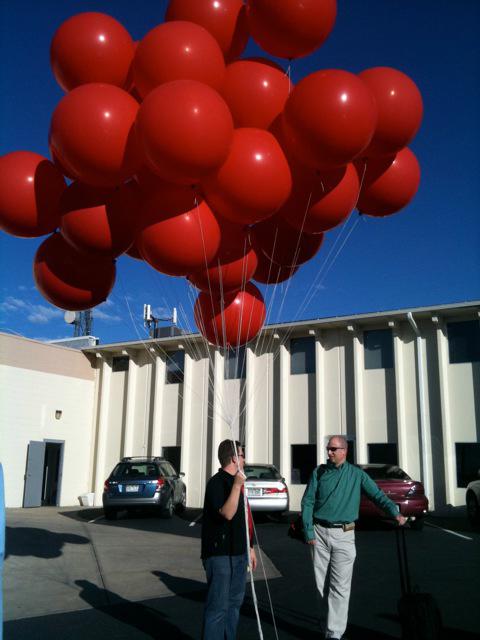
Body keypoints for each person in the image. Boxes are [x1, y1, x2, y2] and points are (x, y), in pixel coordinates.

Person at [301, 435, 407, 640]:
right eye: (328, 448)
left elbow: (377, 495)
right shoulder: (319, 472)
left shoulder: (357, 475)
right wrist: (309, 531)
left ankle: (334, 633)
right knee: (320, 586)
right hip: (319, 534)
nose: (329, 452)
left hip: (345, 535)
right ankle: (326, 623)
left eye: (333, 449)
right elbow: (307, 502)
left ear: (344, 451)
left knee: (339, 587)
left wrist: (395, 513)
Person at [201, 439, 257, 640]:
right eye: (242, 455)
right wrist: (236, 486)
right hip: (220, 555)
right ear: (234, 458)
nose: (244, 459)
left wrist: (250, 547)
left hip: (238, 553)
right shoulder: (217, 483)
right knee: (218, 608)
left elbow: (244, 518)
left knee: (234, 605)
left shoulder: (238, 484)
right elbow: (228, 514)